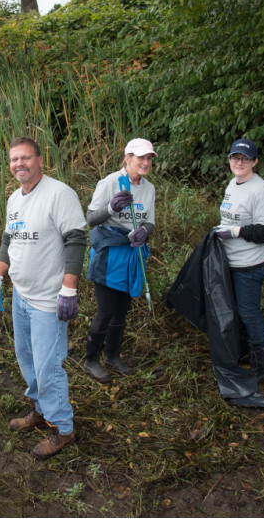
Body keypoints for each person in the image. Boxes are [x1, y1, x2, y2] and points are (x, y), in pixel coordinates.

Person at [0, 137, 87, 459]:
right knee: (26, 359)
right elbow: (7, 241)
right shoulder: (15, 199)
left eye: (25, 158)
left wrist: (69, 288)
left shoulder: (59, 194)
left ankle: (63, 429)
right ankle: (39, 410)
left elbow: (76, 240)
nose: (19, 164)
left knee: (48, 368)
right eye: (14, 159)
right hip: (22, 297)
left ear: (40, 161)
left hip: (48, 301)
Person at [81, 138, 157, 383]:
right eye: (140, 158)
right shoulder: (111, 182)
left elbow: (150, 221)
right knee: (106, 310)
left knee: (122, 310)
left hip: (132, 253)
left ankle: (112, 356)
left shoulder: (149, 189)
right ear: (128, 158)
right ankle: (91, 359)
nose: (145, 162)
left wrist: (144, 231)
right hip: (108, 252)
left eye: (149, 158)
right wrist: (112, 209)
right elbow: (91, 219)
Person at [214, 138, 264, 381]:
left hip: (250, 265)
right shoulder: (233, 184)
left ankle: (262, 365)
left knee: (249, 312)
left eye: (245, 158)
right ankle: (243, 352)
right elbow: (231, 217)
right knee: (236, 311)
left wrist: (236, 232)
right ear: (229, 159)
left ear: (255, 162)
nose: (239, 162)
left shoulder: (261, 192)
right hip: (230, 261)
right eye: (235, 157)